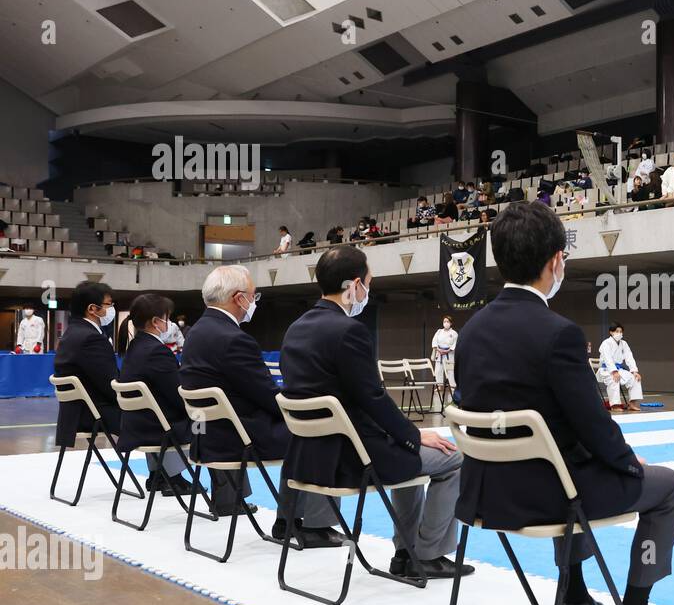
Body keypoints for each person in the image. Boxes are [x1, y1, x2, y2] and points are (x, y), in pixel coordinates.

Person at [455, 201, 674, 605]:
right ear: (555, 260)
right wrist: (626, 463)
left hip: (484, 492)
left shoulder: (470, 332)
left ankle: (575, 597)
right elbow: (593, 424)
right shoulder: (558, 333)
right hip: (546, 496)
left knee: (566, 463)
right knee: (668, 486)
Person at [280, 246, 471, 578]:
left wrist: (409, 440)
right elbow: (373, 399)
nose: (367, 291)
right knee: (455, 460)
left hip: (311, 456)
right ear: (354, 285)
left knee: (411, 452)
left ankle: (406, 551)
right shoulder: (349, 331)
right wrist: (414, 435)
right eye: (368, 283)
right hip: (354, 458)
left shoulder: (295, 329)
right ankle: (425, 555)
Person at [180, 265, 342, 543]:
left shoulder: (196, 333)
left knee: (305, 427)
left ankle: (292, 520)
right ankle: (305, 524)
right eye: (254, 296)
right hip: (237, 438)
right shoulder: (233, 339)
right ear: (238, 297)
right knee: (321, 431)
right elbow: (269, 398)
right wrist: (305, 406)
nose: (254, 302)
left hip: (205, 434)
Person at [117, 294, 197, 501]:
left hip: (137, 424)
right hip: (159, 429)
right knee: (213, 423)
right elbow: (178, 396)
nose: (169, 324)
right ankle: (226, 495)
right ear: (155, 322)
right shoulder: (156, 352)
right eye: (167, 318)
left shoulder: (135, 348)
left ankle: (160, 474)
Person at [52, 281, 122, 457]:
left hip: (75, 414)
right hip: (95, 414)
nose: (112, 308)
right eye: (109, 304)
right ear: (92, 309)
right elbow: (111, 385)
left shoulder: (71, 333)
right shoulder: (91, 338)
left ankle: (163, 477)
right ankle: (166, 478)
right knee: (160, 418)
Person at [598, 322, 642, 412]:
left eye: (621, 331)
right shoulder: (606, 343)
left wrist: (634, 371)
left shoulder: (624, 343)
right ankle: (614, 405)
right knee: (614, 378)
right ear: (611, 332)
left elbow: (629, 357)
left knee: (635, 378)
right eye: (617, 331)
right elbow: (607, 358)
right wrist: (614, 371)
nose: (619, 333)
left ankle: (632, 404)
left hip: (619, 370)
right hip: (607, 369)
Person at [432, 315, 457, 394]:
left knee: (450, 370)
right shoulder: (439, 331)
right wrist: (438, 349)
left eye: (447, 322)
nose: (446, 323)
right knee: (438, 370)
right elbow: (434, 341)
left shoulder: (454, 333)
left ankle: (452, 386)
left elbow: (455, 344)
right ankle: (439, 386)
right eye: (444, 321)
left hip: (449, 354)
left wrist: (448, 350)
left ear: (451, 323)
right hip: (439, 354)